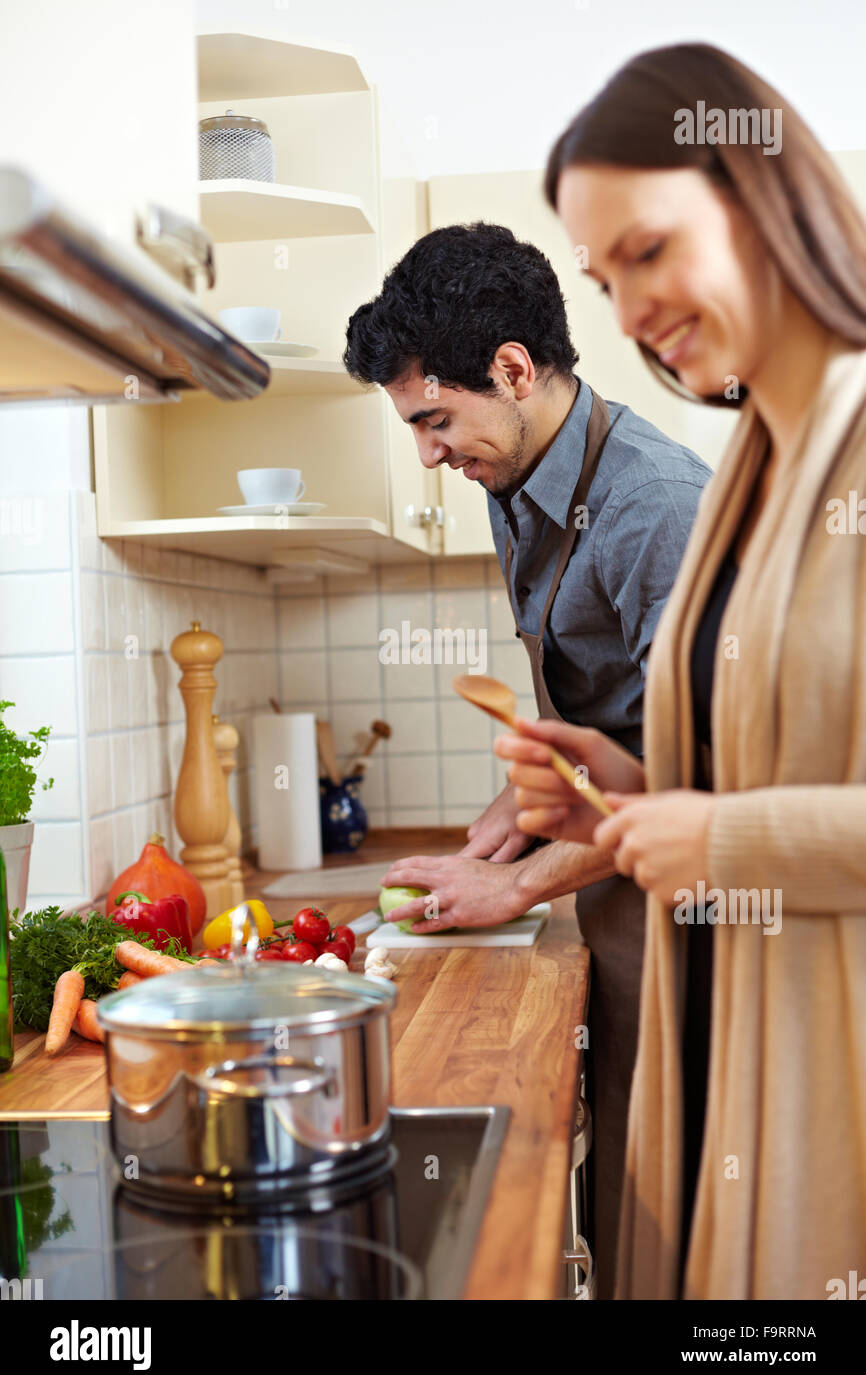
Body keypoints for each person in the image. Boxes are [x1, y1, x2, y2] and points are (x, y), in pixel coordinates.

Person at [496, 42, 866, 1300]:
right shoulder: (750, 468)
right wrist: (623, 776)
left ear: (759, 190)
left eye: (647, 251)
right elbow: (767, 761)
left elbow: (753, 829)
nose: (628, 309)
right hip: (717, 1056)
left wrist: (726, 844)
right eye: (604, 278)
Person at [343, 223, 711, 1297]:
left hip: (697, 913)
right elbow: (608, 701)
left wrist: (511, 882)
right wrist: (520, 798)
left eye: (433, 419)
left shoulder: (658, 513)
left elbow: (697, 773)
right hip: (614, 891)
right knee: (617, 1195)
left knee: (671, 1211)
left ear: (511, 369)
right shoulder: (518, 479)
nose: (425, 452)